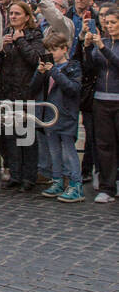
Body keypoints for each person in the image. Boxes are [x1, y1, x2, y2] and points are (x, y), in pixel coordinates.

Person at [0, 0, 48, 191]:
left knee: (27, 138)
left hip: (25, 92)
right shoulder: (5, 36)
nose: (13, 17)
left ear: (27, 17)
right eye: (11, 13)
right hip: (5, 92)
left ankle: (28, 177)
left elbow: (36, 60)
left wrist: (20, 41)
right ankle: (15, 173)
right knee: (8, 137)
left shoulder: (35, 35)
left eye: (17, 14)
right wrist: (0, 49)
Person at [32, 29, 83, 202]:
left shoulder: (73, 66)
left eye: (54, 50)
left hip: (66, 115)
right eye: (48, 50)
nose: (51, 54)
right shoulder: (47, 68)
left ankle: (76, 184)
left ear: (64, 49)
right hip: (48, 115)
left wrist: (54, 72)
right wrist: (39, 73)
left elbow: (72, 89)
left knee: (68, 151)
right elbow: (33, 89)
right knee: (53, 151)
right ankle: (57, 180)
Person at [83, 4, 119, 204]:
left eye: (113, 23)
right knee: (104, 146)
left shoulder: (106, 45)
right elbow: (89, 67)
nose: (109, 26)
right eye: (107, 23)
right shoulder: (102, 42)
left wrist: (103, 48)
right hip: (101, 100)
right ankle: (107, 187)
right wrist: (88, 47)